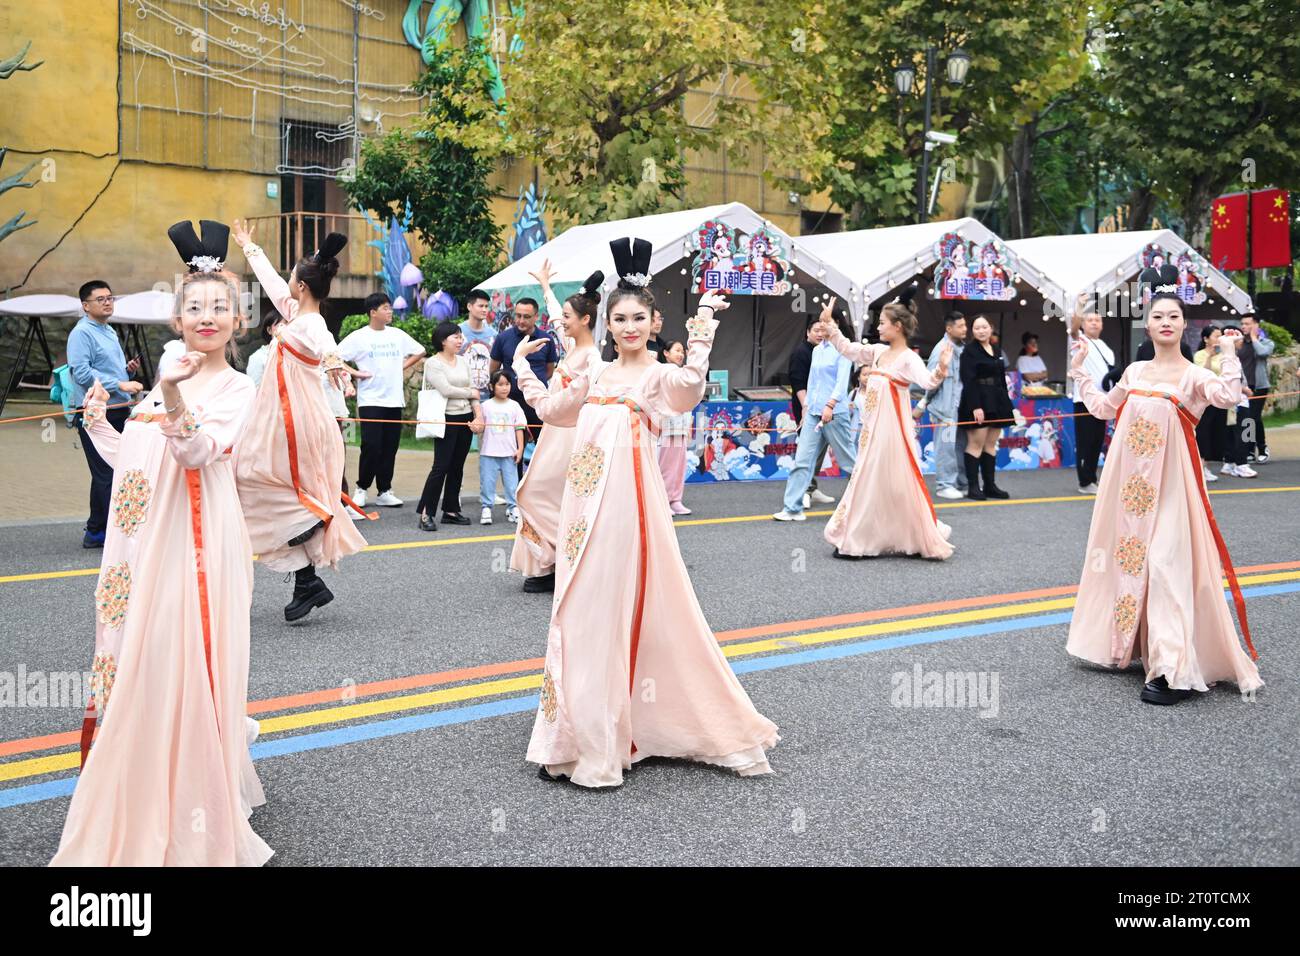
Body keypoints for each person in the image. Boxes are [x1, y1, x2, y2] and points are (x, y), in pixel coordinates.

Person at [512, 236, 777, 787]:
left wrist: (703, 320)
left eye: (639, 317)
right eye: (620, 318)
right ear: (607, 325)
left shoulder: (659, 377)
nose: (629, 327)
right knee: (576, 616)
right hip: (580, 522)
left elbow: (689, 388)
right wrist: (523, 368)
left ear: (655, 321)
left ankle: (605, 744)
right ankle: (573, 739)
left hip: (626, 522)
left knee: (609, 616)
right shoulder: (595, 376)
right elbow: (551, 412)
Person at [51, 220, 271, 866]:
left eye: (219, 308)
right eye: (193, 307)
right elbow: (137, 465)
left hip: (200, 546)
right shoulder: (157, 384)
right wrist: (97, 425)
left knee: (183, 657)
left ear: (238, 321)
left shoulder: (236, 389)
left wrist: (173, 393)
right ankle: (147, 781)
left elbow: (201, 453)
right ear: (177, 320)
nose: (207, 317)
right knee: (144, 659)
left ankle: (193, 795)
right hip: (148, 547)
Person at [1065, 269, 1261, 705]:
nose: (1166, 322)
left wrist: (1228, 351)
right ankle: (1138, 646)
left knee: (1165, 566)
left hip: (1175, 490)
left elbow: (1231, 396)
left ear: (1182, 325)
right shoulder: (1134, 371)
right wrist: (1079, 373)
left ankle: (1171, 668)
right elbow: (1101, 409)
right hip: (1130, 493)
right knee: (1133, 563)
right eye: (1158, 316)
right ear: (1148, 325)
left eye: (1174, 315)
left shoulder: (1193, 376)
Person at [231, 219, 369, 622]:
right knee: (253, 479)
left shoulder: (312, 324)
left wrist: (339, 370)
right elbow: (272, 281)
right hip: (277, 418)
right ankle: (307, 580)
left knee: (259, 480)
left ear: (303, 286)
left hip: (299, 422)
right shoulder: (293, 312)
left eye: (294, 276)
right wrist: (248, 247)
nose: (287, 280)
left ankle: (317, 521)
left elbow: (327, 348)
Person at [820, 291, 954, 560]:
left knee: (885, 482)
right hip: (872, 433)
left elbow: (928, 383)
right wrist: (831, 325)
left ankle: (865, 540)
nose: (877, 327)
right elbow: (848, 349)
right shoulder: (878, 352)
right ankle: (863, 536)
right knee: (871, 480)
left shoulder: (908, 358)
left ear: (898, 326)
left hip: (893, 434)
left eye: (882, 322)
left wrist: (941, 369)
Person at [510, 263, 604, 592]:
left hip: (570, 436)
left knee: (537, 494)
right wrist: (547, 287)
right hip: (555, 434)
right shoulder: (574, 347)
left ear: (585, 320)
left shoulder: (591, 360)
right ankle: (551, 564)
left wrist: (520, 362)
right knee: (543, 494)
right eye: (562, 316)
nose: (560, 322)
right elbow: (552, 316)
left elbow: (551, 406)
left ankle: (563, 560)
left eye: (568, 317)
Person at [67, 280, 143, 548]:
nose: (108, 302)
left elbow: (108, 370)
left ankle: (106, 528)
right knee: (106, 473)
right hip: (96, 414)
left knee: (118, 470)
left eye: (110, 297)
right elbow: (81, 372)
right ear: (85, 306)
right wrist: (120, 384)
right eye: (100, 299)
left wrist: (127, 371)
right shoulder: (81, 333)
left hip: (119, 409)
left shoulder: (108, 330)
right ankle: (97, 532)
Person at [338, 292, 426, 509]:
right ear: (373, 312)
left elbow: (420, 350)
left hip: (394, 400)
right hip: (371, 400)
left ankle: (385, 490)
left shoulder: (397, 335)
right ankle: (361, 488)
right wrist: (355, 374)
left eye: (390, 308)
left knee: (390, 447)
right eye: (385, 308)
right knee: (371, 445)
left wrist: (401, 367)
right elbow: (334, 357)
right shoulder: (359, 337)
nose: (390, 312)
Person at [772, 301, 858, 522]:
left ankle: (869, 502)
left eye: (826, 322)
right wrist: (806, 408)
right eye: (820, 322)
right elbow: (812, 381)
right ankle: (792, 508)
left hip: (835, 413)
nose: (821, 327)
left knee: (849, 462)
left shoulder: (844, 348)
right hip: (813, 413)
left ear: (836, 324)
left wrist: (830, 405)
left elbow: (842, 383)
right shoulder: (817, 350)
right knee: (803, 460)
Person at [416, 321, 483, 531]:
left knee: (457, 466)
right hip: (445, 418)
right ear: (443, 340)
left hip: (465, 418)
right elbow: (445, 389)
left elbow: (473, 389)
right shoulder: (433, 363)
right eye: (455, 336)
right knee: (441, 466)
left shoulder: (463, 361)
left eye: (460, 336)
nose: (460, 340)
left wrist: (478, 414)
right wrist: (470, 393)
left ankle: (451, 510)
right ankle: (426, 513)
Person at [491, 297, 557, 472]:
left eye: (526, 316)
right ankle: (515, 491)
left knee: (544, 446)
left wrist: (533, 384)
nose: (520, 320)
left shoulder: (546, 340)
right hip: (511, 403)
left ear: (536, 316)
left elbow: (549, 370)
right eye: (518, 315)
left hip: (538, 404)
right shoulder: (503, 338)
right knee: (513, 450)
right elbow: (494, 369)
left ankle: (541, 484)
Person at [958, 315, 1014, 500]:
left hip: (997, 400)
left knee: (990, 445)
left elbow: (1001, 377)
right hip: (978, 400)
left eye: (984, 327)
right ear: (972, 331)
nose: (981, 331)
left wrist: (1006, 403)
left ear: (991, 328)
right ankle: (973, 487)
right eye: (976, 328)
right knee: (976, 444)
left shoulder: (996, 349)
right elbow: (968, 380)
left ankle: (990, 485)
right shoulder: (969, 351)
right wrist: (976, 406)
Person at [914, 311, 968, 499]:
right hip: (944, 409)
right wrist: (923, 403)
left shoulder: (960, 347)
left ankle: (958, 482)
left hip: (957, 406)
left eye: (965, 325)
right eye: (960, 326)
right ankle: (944, 485)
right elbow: (931, 381)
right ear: (949, 328)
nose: (965, 329)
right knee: (945, 448)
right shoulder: (941, 349)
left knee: (957, 446)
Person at [787, 316, 836, 508]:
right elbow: (797, 382)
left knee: (820, 450)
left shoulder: (825, 351)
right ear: (808, 332)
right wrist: (805, 409)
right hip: (809, 408)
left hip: (825, 408)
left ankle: (811, 487)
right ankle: (804, 491)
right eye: (816, 330)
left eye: (822, 330)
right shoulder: (801, 352)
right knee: (808, 452)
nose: (820, 334)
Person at [1067, 298, 1115, 495]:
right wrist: (1079, 307)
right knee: (1085, 441)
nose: (1094, 323)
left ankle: (1092, 478)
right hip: (1084, 400)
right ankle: (1084, 480)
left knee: (1097, 441)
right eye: (1090, 320)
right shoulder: (1080, 340)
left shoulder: (1105, 346)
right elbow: (1073, 329)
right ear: (1084, 325)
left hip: (1102, 400)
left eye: (1098, 320)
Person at [478, 370, 526, 524]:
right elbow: (479, 427)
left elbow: (520, 428)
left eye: (507, 384)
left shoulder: (515, 406)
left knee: (512, 483)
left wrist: (520, 449)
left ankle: (513, 508)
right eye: (500, 384)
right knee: (487, 482)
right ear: (492, 387)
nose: (504, 388)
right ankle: (486, 507)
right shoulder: (485, 406)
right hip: (488, 452)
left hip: (509, 453)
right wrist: (474, 427)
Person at [658, 340, 693, 515]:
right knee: (665, 465)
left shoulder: (683, 373)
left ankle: (676, 499)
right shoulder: (662, 372)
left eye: (682, 351)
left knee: (679, 465)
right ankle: (663, 500)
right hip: (666, 425)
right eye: (676, 351)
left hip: (682, 424)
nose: (680, 354)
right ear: (666, 353)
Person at [1192, 326, 1226, 484]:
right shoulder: (1199, 355)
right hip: (1203, 401)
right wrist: (1209, 357)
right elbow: (1200, 376)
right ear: (1206, 339)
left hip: (1218, 399)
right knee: (1203, 432)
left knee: (1215, 432)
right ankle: (1201, 467)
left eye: (1221, 336)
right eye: (1216, 336)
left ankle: (1207, 465)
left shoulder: (1224, 355)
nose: (1219, 339)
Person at [1239, 312, 1273, 464]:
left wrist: (1254, 338)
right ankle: (1249, 450)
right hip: (1244, 387)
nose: (1244, 327)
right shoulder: (1239, 343)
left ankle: (1262, 447)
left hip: (1259, 386)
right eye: (1242, 324)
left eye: (1247, 324)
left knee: (1253, 417)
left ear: (1256, 325)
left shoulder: (1266, 343)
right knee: (1248, 418)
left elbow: (1261, 353)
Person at [458, 288, 496, 399]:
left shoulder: (494, 335)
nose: (484, 310)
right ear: (469, 306)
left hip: (487, 396)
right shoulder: (457, 332)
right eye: (480, 306)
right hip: (462, 396)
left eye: (486, 306)